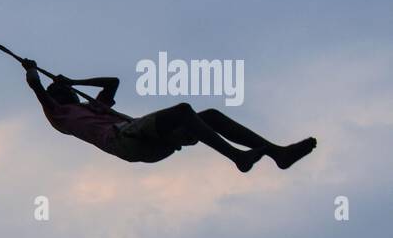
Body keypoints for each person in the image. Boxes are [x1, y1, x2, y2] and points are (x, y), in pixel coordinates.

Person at [21, 58, 316, 172]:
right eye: (64, 91)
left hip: (146, 140)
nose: (68, 93)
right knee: (184, 111)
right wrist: (31, 68)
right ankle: (239, 157)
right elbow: (35, 83)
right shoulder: (58, 114)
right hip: (127, 140)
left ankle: (279, 154)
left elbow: (113, 82)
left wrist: (73, 81)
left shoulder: (93, 106)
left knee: (209, 115)